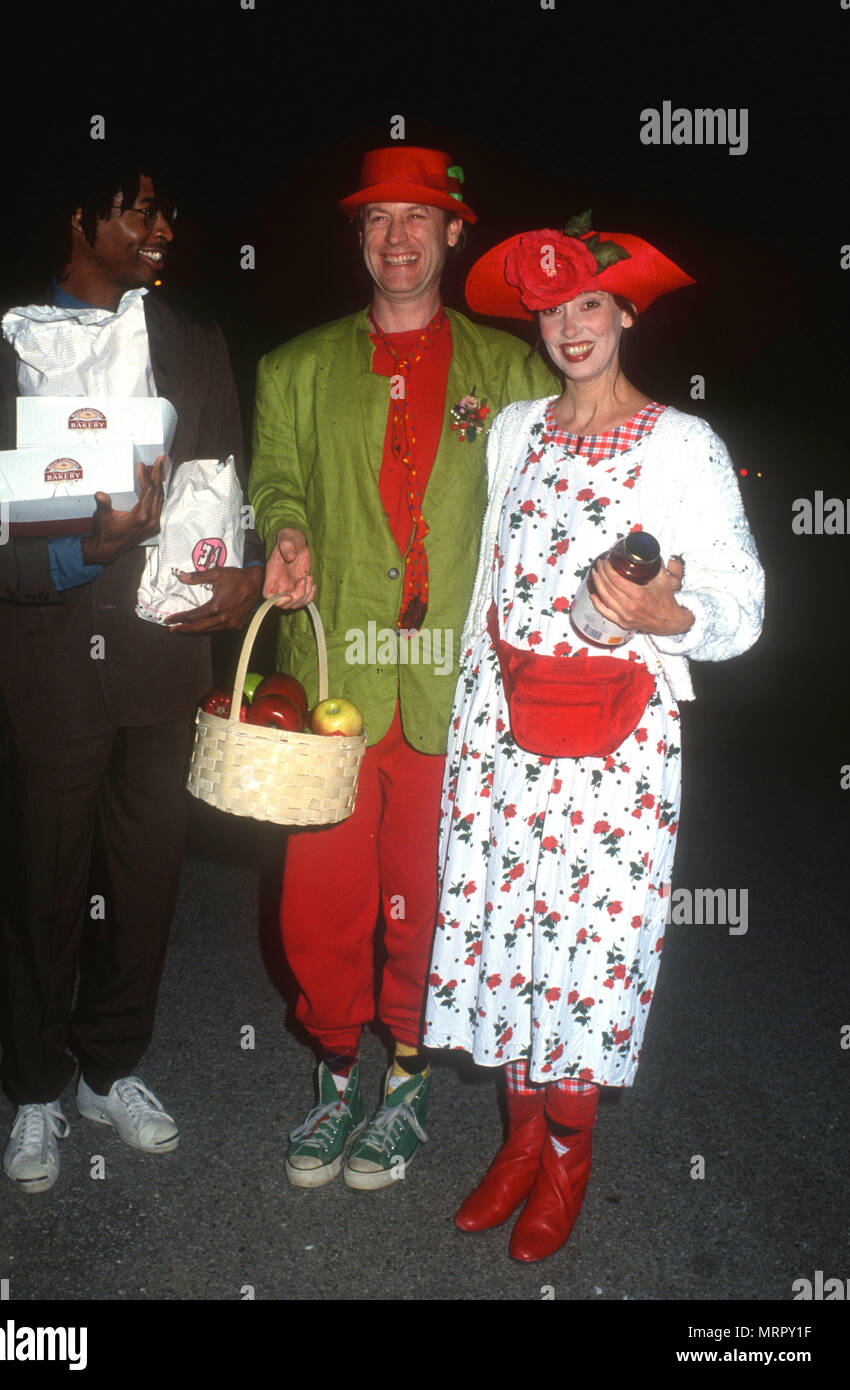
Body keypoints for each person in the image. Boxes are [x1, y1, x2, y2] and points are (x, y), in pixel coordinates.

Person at [422, 215, 764, 1259]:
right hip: (502, 730)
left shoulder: (681, 442)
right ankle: (518, 1142)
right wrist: (467, 711)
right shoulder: (515, 429)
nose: (569, 326)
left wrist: (673, 617)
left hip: (616, 754)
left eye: (589, 304)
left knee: (583, 945)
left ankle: (568, 1157)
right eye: (550, 307)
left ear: (624, 311)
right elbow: (491, 575)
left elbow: (743, 606)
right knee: (508, 932)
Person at [0, 152, 263, 1192]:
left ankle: (109, 1068)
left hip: (165, 657)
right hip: (42, 668)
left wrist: (242, 576)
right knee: (41, 879)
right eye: (143, 210)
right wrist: (91, 549)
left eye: (167, 210)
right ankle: (35, 1085)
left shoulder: (195, 340)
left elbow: (222, 488)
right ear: (82, 217)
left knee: (145, 877)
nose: (164, 228)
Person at [249, 147, 557, 1190]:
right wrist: (284, 536)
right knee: (319, 897)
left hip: (449, 681)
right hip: (335, 677)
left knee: (424, 895)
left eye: (417, 219)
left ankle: (409, 1079)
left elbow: (542, 514)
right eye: (377, 219)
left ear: (454, 232)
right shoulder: (292, 368)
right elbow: (278, 486)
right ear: (358, 236)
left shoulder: (512, 371)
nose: (396, 239)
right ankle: (336, 1074)